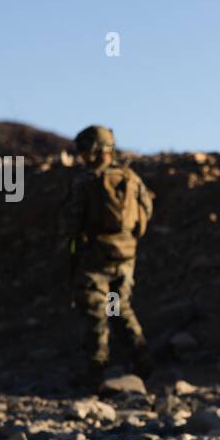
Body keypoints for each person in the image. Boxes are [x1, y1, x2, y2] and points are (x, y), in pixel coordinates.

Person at [65, 125, 155, 387]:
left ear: (93, 150)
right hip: (125, 258)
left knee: (96, 314)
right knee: (119, 308)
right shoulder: (131, 178)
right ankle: (142, 361)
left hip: (95, 260)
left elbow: (71, 222)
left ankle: (96, 371)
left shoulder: (86, 181)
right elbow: (146, 212)